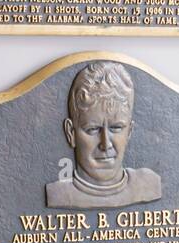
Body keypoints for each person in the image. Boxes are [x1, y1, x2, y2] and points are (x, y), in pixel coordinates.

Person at [45, 61, 162, 210]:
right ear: (71, 133)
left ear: (129, 132)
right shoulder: (58, 194)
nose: (105, 144)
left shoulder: (149, 185)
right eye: (92, 129)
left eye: (116, 127)